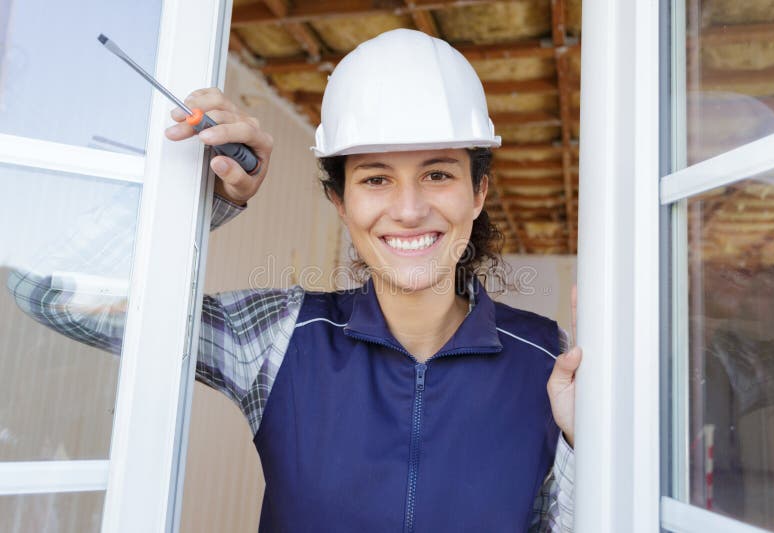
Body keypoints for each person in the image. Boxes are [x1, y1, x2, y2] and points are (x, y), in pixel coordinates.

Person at [9, 29, 582, 532]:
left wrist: (588, 446)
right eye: (376, 179)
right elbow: (46, 294)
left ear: (478, 193)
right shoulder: (276, 337)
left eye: (437, 174)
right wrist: (199, 205)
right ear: (340, 202)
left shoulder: (547, 362)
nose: (409, 210)